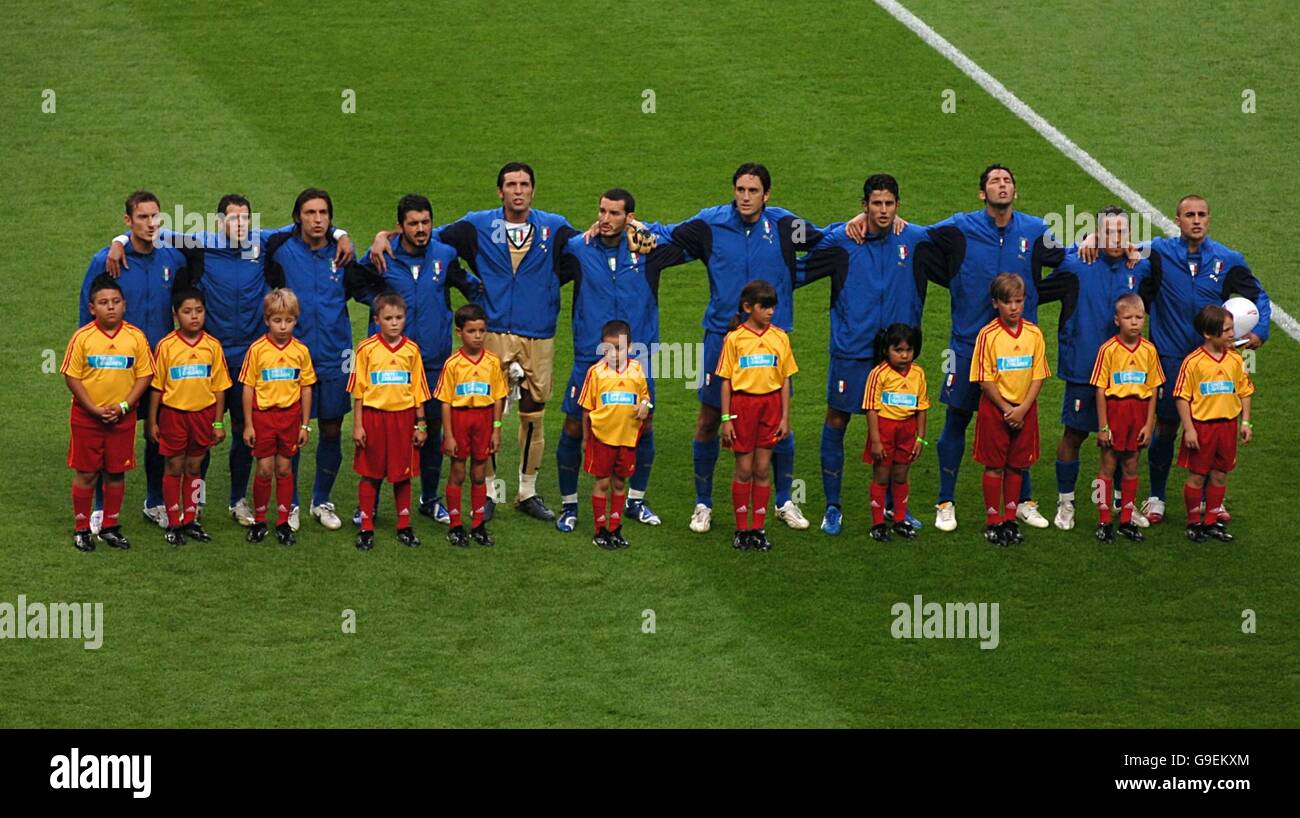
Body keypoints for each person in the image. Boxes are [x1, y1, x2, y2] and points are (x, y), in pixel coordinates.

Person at [106, 194, 351, 526]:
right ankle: (191, 501)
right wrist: (119, 241)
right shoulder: (203, 244)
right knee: (198, 432)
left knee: (242, 430)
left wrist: (340, 234)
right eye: (232, 219)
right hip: (211, 360)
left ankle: (238, 500)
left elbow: (305, 226)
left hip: (251, 361)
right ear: (219, 222)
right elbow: (154, 233)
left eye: (245, 218)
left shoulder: (262, 244)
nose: (239, 225)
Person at [374, 163, 578, 522]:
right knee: (485, 408)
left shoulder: (555, 227)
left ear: (533, 190)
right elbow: (425, 238)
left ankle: (527, 492)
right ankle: (488, 491)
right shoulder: (477, 225)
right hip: (492, 329)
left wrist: (544, 290)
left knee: (534, 410)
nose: (518, 191)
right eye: (511, 185)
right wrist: (383, 236)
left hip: (538, 330)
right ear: (499, 191)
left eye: (525, 185)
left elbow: (584, 253)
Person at [669, 164, 826, 534]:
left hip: (773, 341)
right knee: (708, 419)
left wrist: (859, 222)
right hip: (721, 337)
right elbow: (670, 235)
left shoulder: (787, 226)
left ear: (767, 195)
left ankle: (784, 500)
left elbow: (828, 241)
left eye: (753, 190)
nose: (744, 196)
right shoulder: (711, 223)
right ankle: (702, 504)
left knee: (777, 424)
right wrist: (634, 226)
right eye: (739, 189)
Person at [911, 165, 1068, 532]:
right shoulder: (960, 227)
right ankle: (945, 501)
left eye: (1008, 181)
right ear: (982, 193)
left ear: (1015, 191)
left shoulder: (1035, 231)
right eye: (995, 181)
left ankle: (1024, 501)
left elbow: (1069, 258)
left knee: (1020, 421)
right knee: (957, 418)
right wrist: (863, 220)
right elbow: (915, 235)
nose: (1002, 185)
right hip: (968, 344)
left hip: (1017, 350)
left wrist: (1109, 245)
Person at [553, 188, 689, 533]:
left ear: (629, 217)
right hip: (591, 357)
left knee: (643, 426)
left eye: (614, 213)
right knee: (573, 426)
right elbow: (544, 247)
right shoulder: (579, 248)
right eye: (601, 211)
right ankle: (569, 506)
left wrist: (648, 229)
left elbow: (693, 235)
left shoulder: (650, 251)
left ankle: (636, 501)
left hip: (637, 360)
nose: (604, 219)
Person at [800, 174, 929, 534]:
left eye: (889, 204)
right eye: (876, 204)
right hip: (852, 352)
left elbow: (960, 247)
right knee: (838, 420)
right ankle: (832, 506)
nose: (883, 210)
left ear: (898, 206)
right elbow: (798, 255)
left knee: (899, 425)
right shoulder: (844, 240)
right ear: (865, 205)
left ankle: (892, 507)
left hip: (898, 358)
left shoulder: (916, 240)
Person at [1133, 196, 1269, 526]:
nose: (1196, 220)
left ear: (1209, 219)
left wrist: (1259, 331)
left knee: (1213, 428)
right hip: (1170, 356)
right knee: (1166, 427)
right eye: (1189, 215)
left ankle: (1211, 499)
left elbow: (1258, 297)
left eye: (1202, 215)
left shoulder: (1228, 259)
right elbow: (1121, 245)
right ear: (1177, 220)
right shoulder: (1159, 253)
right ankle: (1157, 497)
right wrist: (1094, 240)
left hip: (1214, 362)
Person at [354, 194, 480, 526]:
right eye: (414, 223)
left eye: (426, 222)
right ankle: (371, 505)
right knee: (382, 431)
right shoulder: (382, 254)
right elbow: (354, 284)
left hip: (434, 358)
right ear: (401, 227)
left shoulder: (444, 254)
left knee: (433, 427)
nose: (421, 229)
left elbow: (469, 286)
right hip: (389, 363)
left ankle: (428, 498)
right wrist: (381, 303)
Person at [79, 191, 187, 530]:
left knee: (158, 436)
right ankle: (99, 507)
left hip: (160, 369)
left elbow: (209, 244)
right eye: (142, 217)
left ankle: (154, 501)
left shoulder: (173, 258)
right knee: (105, 434)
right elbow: (87, 312)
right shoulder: (106, 261)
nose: (150, 223)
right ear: (128, 220)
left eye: (155, 216)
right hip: (115, 368)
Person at [263, 188, 369, 531]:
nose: (318, 219)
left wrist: (347, 236)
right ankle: (289, 502)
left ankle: (321, 500)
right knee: (292, 428)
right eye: (310, 213)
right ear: (298, 217)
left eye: (324, 213)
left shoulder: (343, 257)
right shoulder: (279, 248)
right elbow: (243, 235)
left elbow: (374, 290)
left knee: (331, 428)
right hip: (292, 360)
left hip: (336, 356)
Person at [1041, 207, 1152, 530]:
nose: (1116, 239)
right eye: (1109, 232)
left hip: (1127, 374)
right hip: (1083, 369)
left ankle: (1121, 502)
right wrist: (1080, 242)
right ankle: (1066, 504)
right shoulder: (1077, 264)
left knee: (1127, 440)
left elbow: (1170, 247)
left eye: (1122, 233)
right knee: (1074, 434)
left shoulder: (1140, 267)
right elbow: (1036, 289)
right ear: (1098, 235)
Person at [63, 275, 155, 552]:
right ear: (92, 308)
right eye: (104, 303)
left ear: (125, 305)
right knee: (87, 473)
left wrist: (125, 406)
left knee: (116, 473)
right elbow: (71, 376)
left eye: (115, 302)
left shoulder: (136, 338)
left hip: (122, 418)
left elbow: (145, 375)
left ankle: (111, 526)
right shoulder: (82, 338)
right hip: (87, 418)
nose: (110, 307)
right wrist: (93, 409)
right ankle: (81, 529)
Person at [717, 280, 798, 551]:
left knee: (763, 469)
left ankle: (758, 529)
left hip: (771, 406)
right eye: (765, 307)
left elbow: (785, 379)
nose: (770, 312)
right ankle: (742, 529)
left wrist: (785, 418)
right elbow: (726, 381)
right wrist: (726, 419)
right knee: (744, 470)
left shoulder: (780, 337)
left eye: (773, 307)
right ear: (748, 307)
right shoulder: (734, 339)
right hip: (743, 408)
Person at [348, 292, 432, 551]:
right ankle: (366, 527)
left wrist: (421, 424)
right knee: (370, 474)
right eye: (388, 318)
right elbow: (359, 391)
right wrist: (358, 424)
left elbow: (418, 391)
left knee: (402, 475)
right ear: (377, 320)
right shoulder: (365, 349)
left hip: (403, 419)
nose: (394, 323)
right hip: (373, 419)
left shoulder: (412, 350)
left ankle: (404, 525)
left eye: (399, 318)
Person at [971, 273, 1050, 546]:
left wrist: (1023, 408)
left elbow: (1039, 374)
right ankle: (993, 521)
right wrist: (1008, 408)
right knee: (994, 466)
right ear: (995, 304)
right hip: (996, 410)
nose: (1014, 307)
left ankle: (1010, 519)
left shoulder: (1034, 334)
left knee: (1017, 466)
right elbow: (985, 378)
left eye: (1018, 301)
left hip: (1025, 410)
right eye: (1008, 302)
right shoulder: (987, 336)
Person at [148, 289, 232, 546]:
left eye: (199, 311)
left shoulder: (212, 346)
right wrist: (152, 421)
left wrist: (218, 422)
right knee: (174, 466)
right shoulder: (166, 346)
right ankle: (173, 521)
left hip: (203, 416)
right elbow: (157, 388)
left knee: (194, 467)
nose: (194, 317)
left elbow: (219, 388)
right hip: (174, 416)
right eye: (187, 312)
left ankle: (191, 519)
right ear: (176, 315)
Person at [239, 290, 316, 545]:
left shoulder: (301, 351)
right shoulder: (257, 350)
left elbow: (306, 387)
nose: (283, 326)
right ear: (267, 320)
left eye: (289, 320)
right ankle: (260, 521)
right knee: (264, 470)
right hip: (263, 417)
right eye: (277, 320)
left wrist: (305, 424)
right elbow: (248, 387)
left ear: (296, 320)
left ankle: (283, 522)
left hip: (290, 417)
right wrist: (249, 424)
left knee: (284, 469)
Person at [1173, 304, 1254, 543]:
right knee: (1197, 475)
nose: (1232, 334)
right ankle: (1193, 522)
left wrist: (1246, 422)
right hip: (1202, 427)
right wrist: (1188, 428)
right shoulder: (1194, 362)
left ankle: (1211, 522)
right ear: (1209, 334)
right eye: (1227, 330)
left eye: (1232, 329)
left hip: (1227, 426)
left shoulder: (1236, 360)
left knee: (1220, 474)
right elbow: (1181, 397)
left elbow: (1245, 391)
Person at [1089, 293, 1164, 543]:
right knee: (1107, 468)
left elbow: (1153, 390)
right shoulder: (1108, 350)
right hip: (1115, 412)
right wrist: (1103, 426)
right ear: (1117, 320)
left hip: (1138, 414)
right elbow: (1100, 389)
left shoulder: (1149, 351)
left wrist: (1149, 423)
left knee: (1131, 468)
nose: (1134, 322)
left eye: (1139, 317)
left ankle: (1126, 519)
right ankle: (1103, 520)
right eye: (1128, 317)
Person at [435, 304, 507, 547]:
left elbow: (498, 397)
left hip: (484, 420)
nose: (477, 336)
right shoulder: (453, 364)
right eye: (471, 331)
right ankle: (455, 525)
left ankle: (478, 524)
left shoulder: (492, 362)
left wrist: (496, 428)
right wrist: (449, 436)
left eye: (481, 331)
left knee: (479, 473)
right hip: (460, 419)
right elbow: (445, 402)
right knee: (458, 472)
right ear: (459, 333)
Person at [577, 320, 652, 550]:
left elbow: (645, 398)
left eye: (619, 348)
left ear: (629, 347)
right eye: (608, 349)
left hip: (627, 438)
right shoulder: (595, 373)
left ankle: (615, 529)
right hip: (601, 438)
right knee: (602, 482)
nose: (614, 353)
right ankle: (600, 530)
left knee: (620, 483)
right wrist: (585, 437)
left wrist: (645, 406)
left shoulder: (637, 370)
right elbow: (587, 408)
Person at [863, 324, 929, 542]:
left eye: (908, 350)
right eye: (898, 350)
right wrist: (875, 440)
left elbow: (922, 408)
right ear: (886, 350)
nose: (904, 355)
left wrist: (920, 437)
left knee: (901, 475)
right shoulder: (878, 374)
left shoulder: (918, 373)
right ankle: (877, 523)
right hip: (884, 430)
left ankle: (900, 519)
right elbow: (871, 408)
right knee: (881, 476)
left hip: (907, 431)